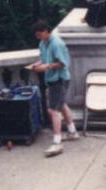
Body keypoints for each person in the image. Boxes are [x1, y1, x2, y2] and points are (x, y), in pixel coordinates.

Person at [28, 20, 77, 154]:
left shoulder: (57, 44)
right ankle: (72, 132)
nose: (38, 37)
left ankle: (57, 142)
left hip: (60, 79)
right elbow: (44, 60)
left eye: (39, 35)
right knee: (61, 105)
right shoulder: (43, 43)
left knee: (53, 111)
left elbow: (63, 63)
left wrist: (47, 66)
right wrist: (36, 64)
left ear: (45, 31)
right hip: (51, 79)